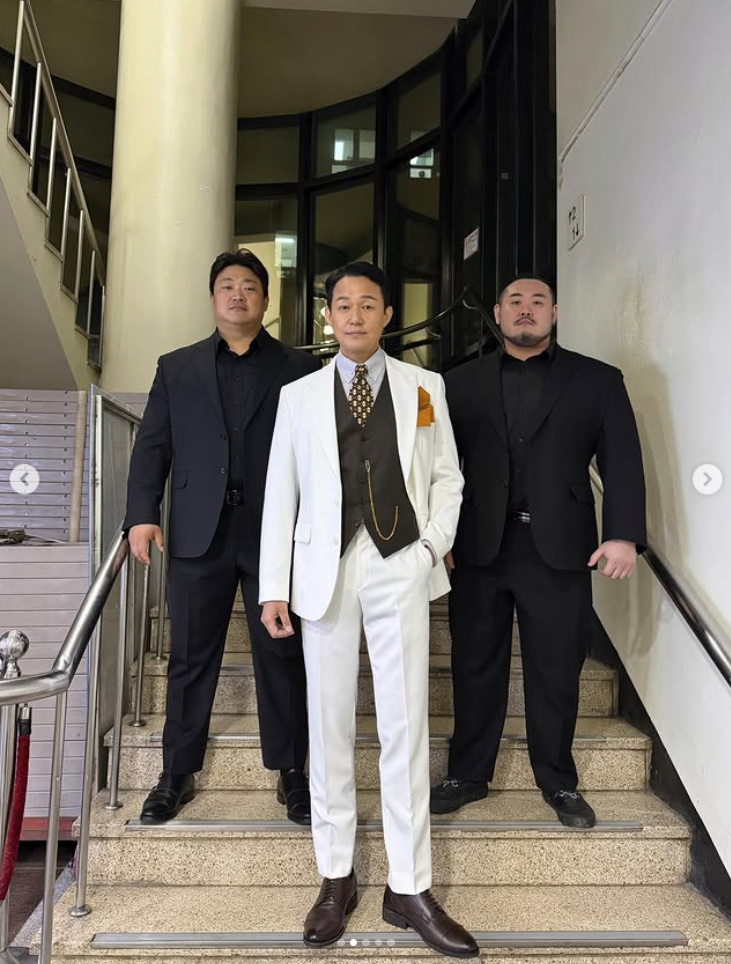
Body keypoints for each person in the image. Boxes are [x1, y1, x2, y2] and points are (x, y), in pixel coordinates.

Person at [259, 262, 477, 958]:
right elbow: (280, 492)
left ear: (387, 314)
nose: (354, 315)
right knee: (327, 727)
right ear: (328, 316)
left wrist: (429, 546)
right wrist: (272, 585)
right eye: (342, 305)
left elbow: (447, 476)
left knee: (405, 723)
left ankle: (409, 886)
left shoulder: (424, 387)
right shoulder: (296, 395)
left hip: (399, 561)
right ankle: (337, 876)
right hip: (323, 568)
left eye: (367, 304)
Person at [431, 276, 646, 828]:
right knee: (474, 664)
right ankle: (467, 774)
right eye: (515, 302)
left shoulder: (597, 380)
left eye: (537, 302)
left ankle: (558, 780)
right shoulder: (457, 383)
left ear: (555, 313)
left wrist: (622, 535)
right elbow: (435, 467)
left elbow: (622, 459)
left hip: (561, 548)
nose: (526, 310)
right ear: (498, 313)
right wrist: (439, 536)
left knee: (556, 669)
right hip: (478, 546)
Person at [124, 249, 319, 825]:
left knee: (281, 654)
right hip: (196, 532)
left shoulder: (300, 367)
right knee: (190, 656)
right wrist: (141, 514)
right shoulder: (176, 366)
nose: (238, 294)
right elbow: (152, 445)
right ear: (213, 298)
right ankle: (176, 773)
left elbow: (318, 454)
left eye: (250, 286)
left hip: (274, 532)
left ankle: (291, 771)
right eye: (228, 285)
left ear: (265, 299)